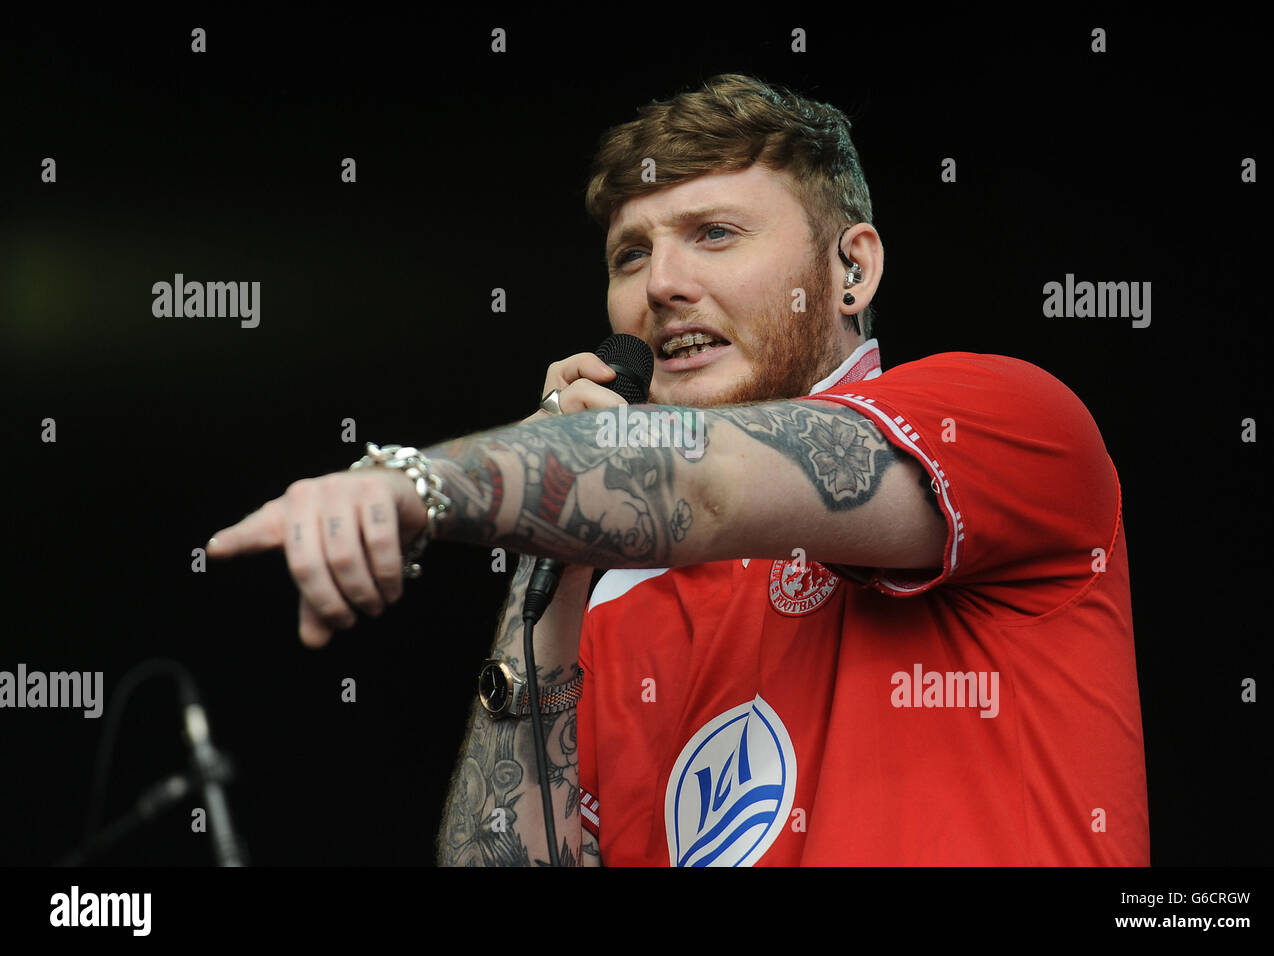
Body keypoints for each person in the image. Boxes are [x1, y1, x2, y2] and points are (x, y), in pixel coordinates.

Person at [208, 74, 1149, 866]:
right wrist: (552, 563)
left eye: (714, 234)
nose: (660, 284)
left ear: (851, 269)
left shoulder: (1005, 417)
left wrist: (411, 484)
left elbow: (707, 483)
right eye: (632, 253)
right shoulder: (611, 605)